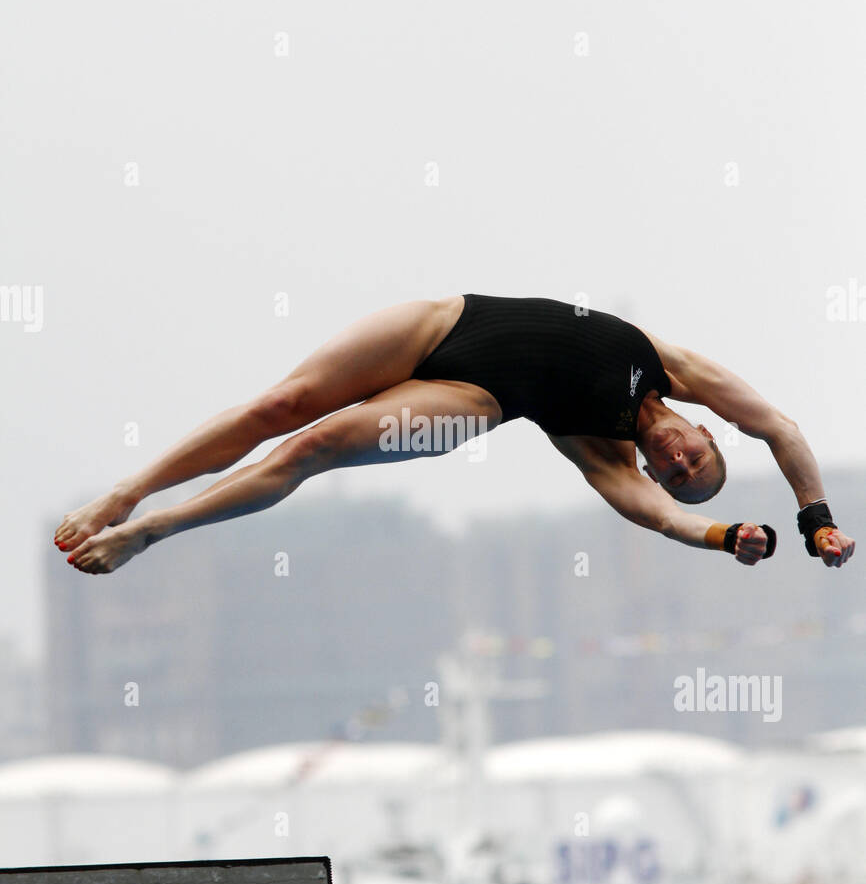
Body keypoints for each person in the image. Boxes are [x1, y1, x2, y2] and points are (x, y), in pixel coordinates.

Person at [54, 294, 854, 574]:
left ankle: (153, 529)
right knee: (282, 405)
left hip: (470, 397)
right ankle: (126, 492)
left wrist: (721, 533)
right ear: (706, 430)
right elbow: (779, 425)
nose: (680, 466)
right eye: (697, 457)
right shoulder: (675, 367)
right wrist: (814, 519)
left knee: (311, 447)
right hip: (448, 320)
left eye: (680, 475)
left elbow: (661, 517)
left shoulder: (603, 455)